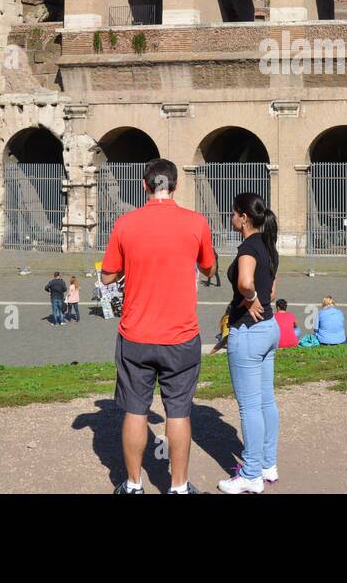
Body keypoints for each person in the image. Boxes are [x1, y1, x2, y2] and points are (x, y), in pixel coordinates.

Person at [101, 158, 216, 496]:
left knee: (136, 409)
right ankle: (178, 486)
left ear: (144, 185)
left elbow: (108, 275)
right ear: (176, 186)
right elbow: (209, 269)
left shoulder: (125, 224)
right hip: (180, 336)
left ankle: (134, 484)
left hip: (136, 334)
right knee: (179, 411)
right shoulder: (196, 222)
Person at [218, 192, 281, 494]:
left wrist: (249, 297)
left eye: (232, 213)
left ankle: (251, 473)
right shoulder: (268, 245)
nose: (230, 218)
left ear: (243, 217)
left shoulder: (247, 247)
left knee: (249, 407)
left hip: (248, 334)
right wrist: (255, 300)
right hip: (269, 328)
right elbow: (272, 288)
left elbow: (246, 282)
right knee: (266, 400)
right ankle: (268, 464)